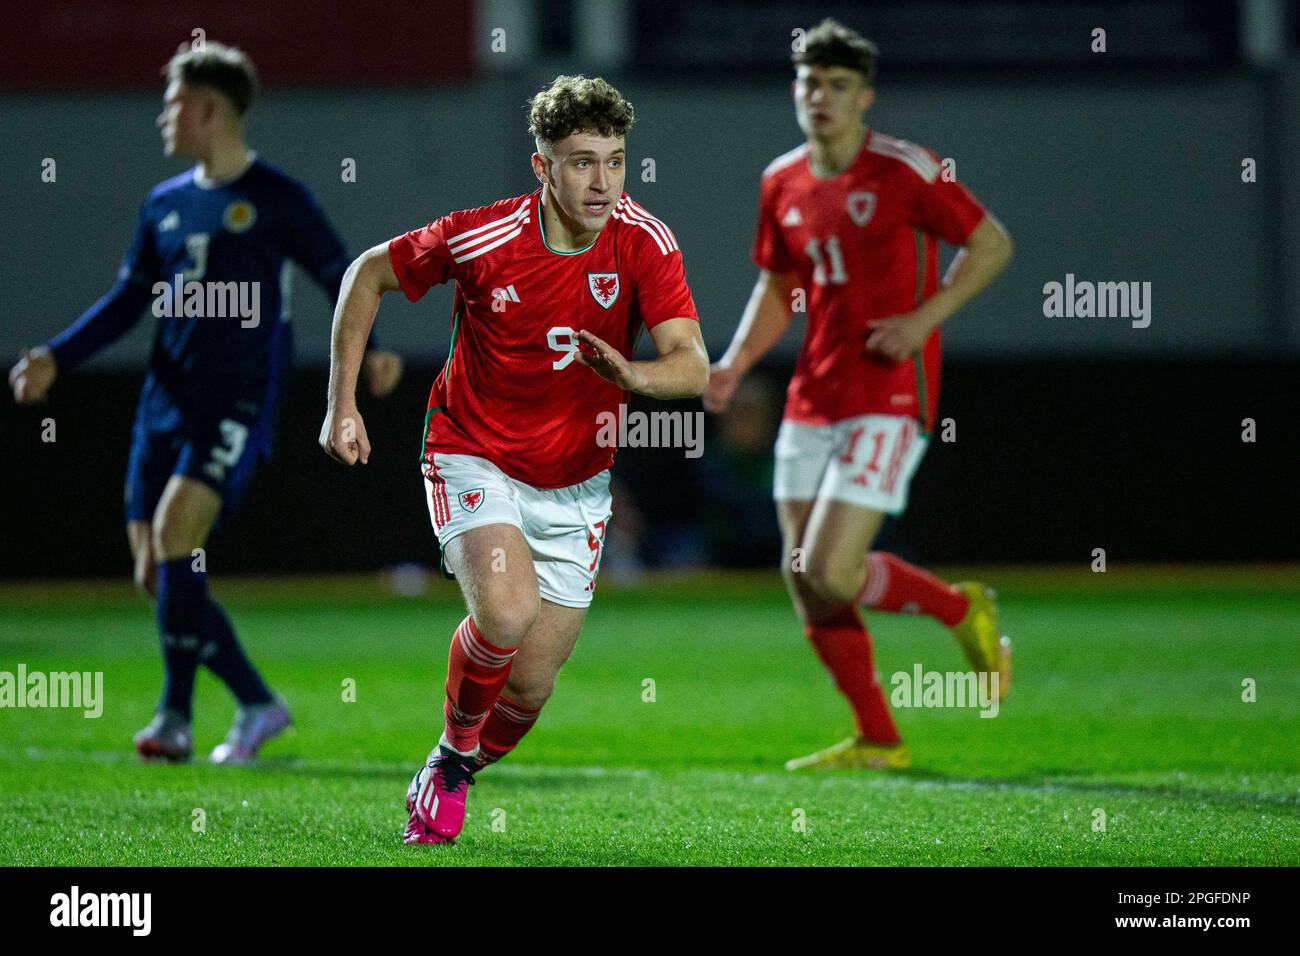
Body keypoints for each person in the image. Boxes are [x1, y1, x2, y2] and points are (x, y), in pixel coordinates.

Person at [319, 75, 708, 844]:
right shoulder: (483, 237)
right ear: (543, 167)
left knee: (530, 684)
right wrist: (341, 404)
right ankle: (455, 761)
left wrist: (633, 375)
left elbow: (692, 365)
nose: (603, 183)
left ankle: (447, 763)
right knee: (504, 611)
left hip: (577, 484)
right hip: (473, 452)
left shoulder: (644, 241)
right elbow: (368, 273)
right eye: (581, 162)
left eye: (616, 161)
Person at [8, 42, 403, 764]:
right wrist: (57, 357)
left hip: (238, 400)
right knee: (158, 573)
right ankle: (257, 703)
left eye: (175, 103)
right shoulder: (163, 205)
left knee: (176, 534)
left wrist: (372, 351)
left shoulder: (279, 199)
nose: (164, 116)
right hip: (164, 400)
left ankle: (174, 719)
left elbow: (343, 275)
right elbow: (131, 299)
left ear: (211, 109)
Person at [704, 19, 1014, 770]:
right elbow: (780, 284)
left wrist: (923, 318)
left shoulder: (909, 169)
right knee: (803, 578)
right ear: (796, 91)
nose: (822, 97)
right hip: (814, 396)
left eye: (839, 86)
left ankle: (958, 608)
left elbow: (992, 243)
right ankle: (880, 738)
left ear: (864, 97)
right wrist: (735, 362)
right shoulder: (782, 180)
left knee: (832, 570)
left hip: (888, 392)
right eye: (811, 83)